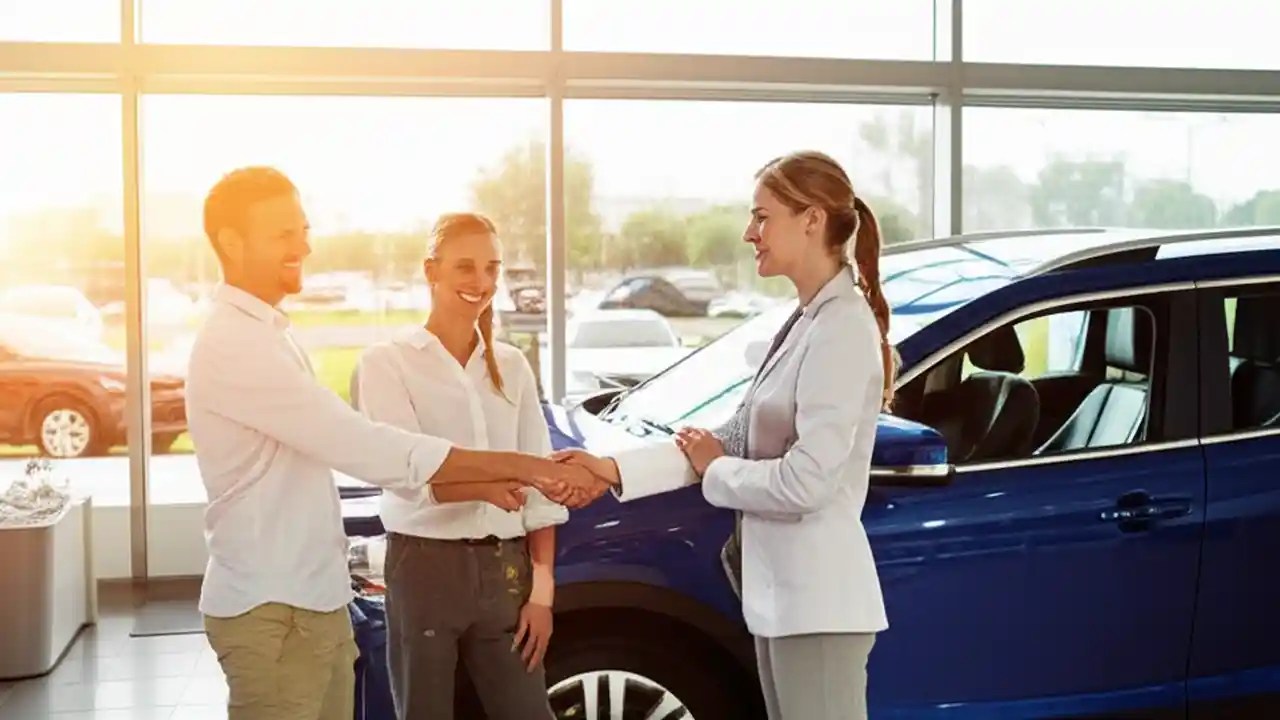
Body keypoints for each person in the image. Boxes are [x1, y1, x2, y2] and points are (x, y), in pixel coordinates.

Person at [185, 167, 591, 720]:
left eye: (302, 229)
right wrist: (522, 469)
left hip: (314, 602)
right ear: (231, 241)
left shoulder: (271, 334)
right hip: (273, 607)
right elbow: (368, 448)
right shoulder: (237, 345)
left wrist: (535, 554)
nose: (305, 244)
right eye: (284, 233)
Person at [556, 151, 893, 720]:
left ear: (811, 219)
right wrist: (611, 470)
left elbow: (805, 482)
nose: (748, 233)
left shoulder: (841, 329)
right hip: (782, 602)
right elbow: (729, 439)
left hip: (819, 607)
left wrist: (715, 471)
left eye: (762, 217)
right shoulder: (807, 320)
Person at [352, 212, 563, 720]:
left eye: (492, 269)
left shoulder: (512, 366)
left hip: (504, 573)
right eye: (465, 267)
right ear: (431, 271)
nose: (482, 283)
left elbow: (539, 485)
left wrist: (542, 594)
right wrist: (488, 486)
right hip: (423, 570)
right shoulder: (388, 363)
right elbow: (407, 479)